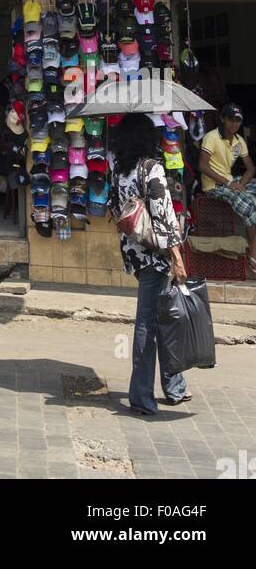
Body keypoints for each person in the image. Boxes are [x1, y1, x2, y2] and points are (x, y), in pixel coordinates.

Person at [109, 115, 190, 416]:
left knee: (161, 318)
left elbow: (116, 210)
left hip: (135, 254)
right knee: (148, 322)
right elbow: (164, 216)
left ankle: (175, 386)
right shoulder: (152, 169)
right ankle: (142, 396)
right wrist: (177, 257)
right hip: (157, 257)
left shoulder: (119, 170)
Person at [199, 104, 256, 278]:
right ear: (223, 119)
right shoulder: (212, 137)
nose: (234, 123)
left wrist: (241, 184)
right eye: (231, 119)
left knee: (249, 194)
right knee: (250, 205)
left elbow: (251, 168)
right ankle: (254, 253)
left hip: (231, 182)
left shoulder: (239, 140)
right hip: (214, 186)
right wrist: (229, 183)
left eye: (238, 120)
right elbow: (202, 165)